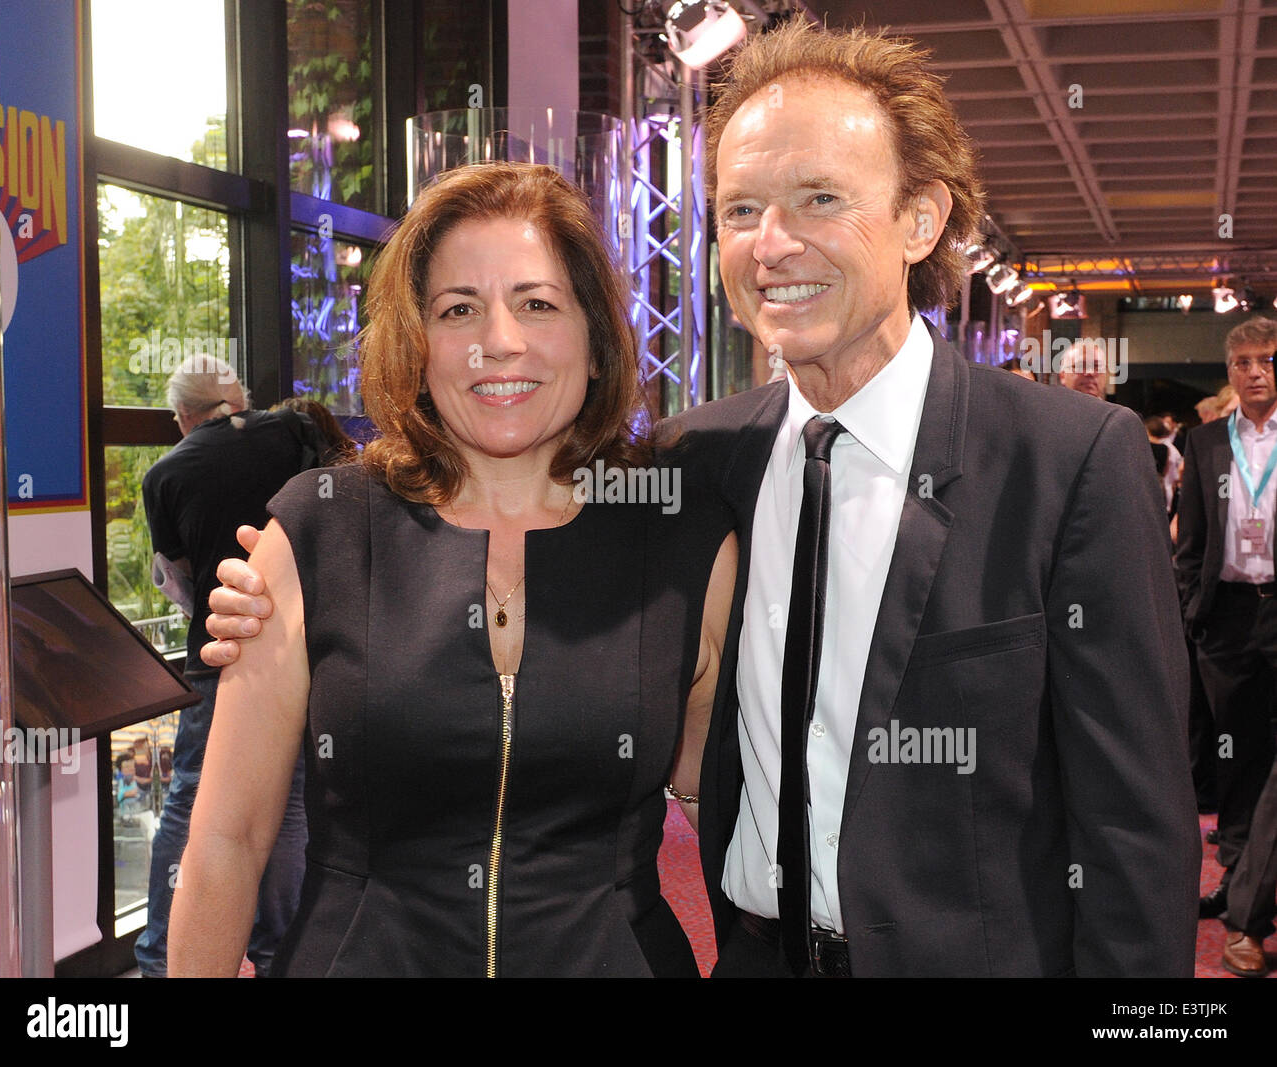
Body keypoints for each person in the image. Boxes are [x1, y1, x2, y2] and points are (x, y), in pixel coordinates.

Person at [207, 20, 1199, 978]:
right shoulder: (689, 466)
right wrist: (294, 585)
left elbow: (1133, 821)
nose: (773, 243)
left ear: (920, 217)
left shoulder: (1066, 461)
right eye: (739, 209)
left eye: (819, 199)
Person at [172, 162, 736, 977]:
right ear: (419, 343)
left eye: (537, 303)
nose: (498, 339)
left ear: (594, 339)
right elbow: (229, 835)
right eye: (458, 309)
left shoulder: (684, 542)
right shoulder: (322, 526)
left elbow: (724, 804)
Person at [134, 356, 322, 978]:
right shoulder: (292, 434)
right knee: (289, 802)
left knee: (194, 802)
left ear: (183, 415)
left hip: (217, 656)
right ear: (237, 398)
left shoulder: (166, 473)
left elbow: (181, 580)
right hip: (300, 646)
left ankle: (164, 956)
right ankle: (274, 951)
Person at [1175, 316, 1277, 976]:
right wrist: (1193, 615)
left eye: (1266, 358)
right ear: (1230, 370)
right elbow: (1189, 543)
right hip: (1228, 618)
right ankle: (1240, 873)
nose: (1255, 370)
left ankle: (1249, 897)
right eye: (1242, 361)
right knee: (1236, 760)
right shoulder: (1207, 440)